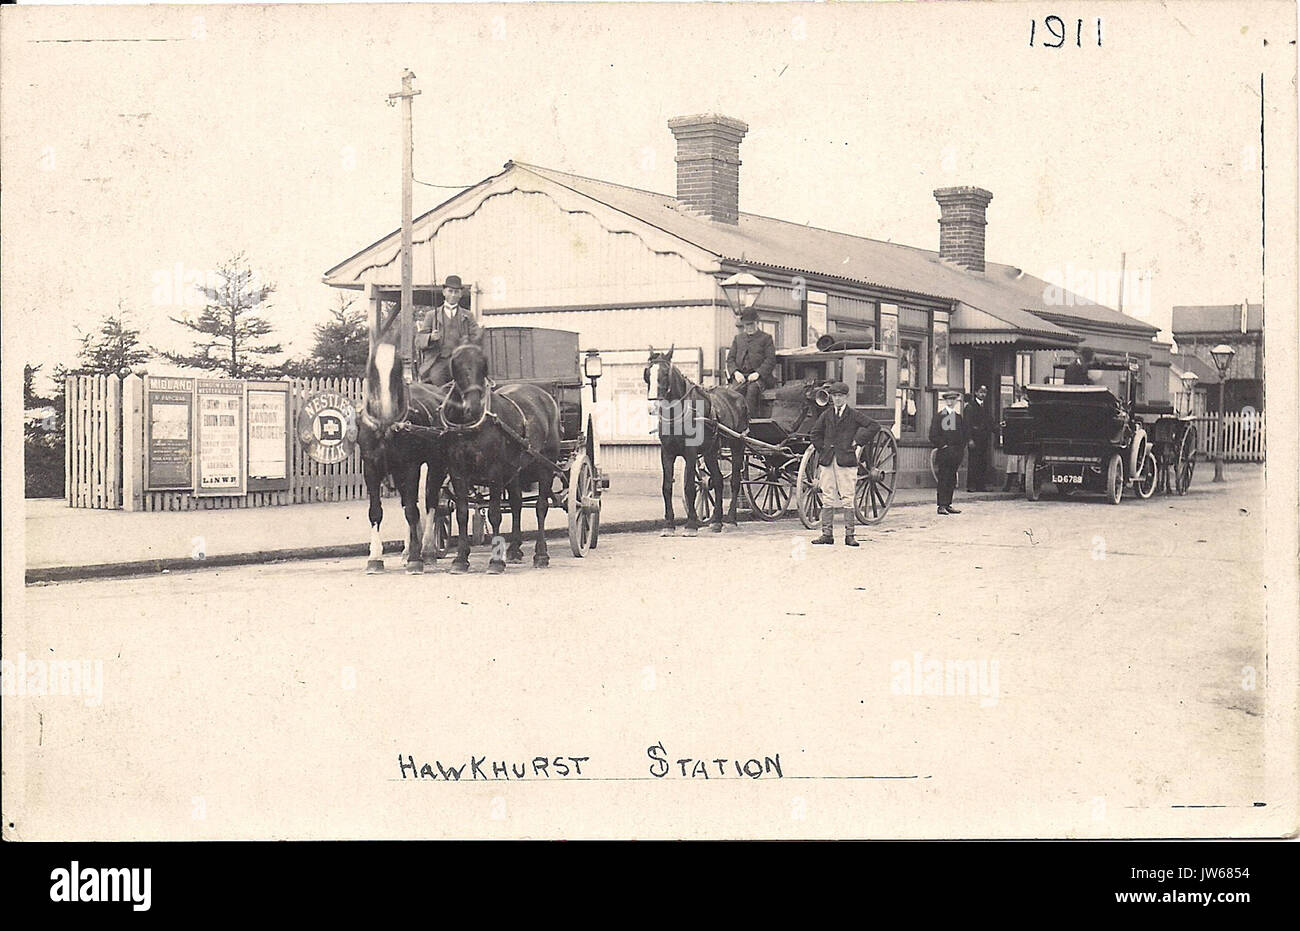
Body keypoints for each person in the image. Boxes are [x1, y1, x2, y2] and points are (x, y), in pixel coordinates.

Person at [809, 382, 875, 547]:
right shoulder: (826, 414)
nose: (837, 399)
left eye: (840, 396)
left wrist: (857, 441)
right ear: (831, 397)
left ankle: (849, 536)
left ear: (846, 397)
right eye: (835, 396)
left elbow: (874, 426)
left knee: (847, 497)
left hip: (846, 460)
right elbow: (815, 433)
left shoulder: (853, 415)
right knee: (827, 496)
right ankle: (827, 534)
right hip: (828, 460)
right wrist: (823, 448)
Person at [417, 274, 482, 384]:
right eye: (450, 291)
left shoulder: (468, 316)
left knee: (470, 385)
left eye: (456, 292)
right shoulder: (431, 315)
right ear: (444, 292)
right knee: (437, 380)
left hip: (462, 362)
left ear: (460, 294)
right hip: (439, 361)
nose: (453, 295)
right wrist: (430, 337)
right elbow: (418, 341)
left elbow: (477, 336)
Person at [725, 308, 776, 415]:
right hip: (740, 377)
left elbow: (770, 360)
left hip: (759, 378)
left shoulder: (766, 338)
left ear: (757, 322)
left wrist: (758, 373)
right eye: (746, 325)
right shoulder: (738, 339)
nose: (749, 327)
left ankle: (750, 421)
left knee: (752, 391)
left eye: (751, 324)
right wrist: (736, 373)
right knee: (732, 394)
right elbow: (730, 359)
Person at [929, 390, 969, 515]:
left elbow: (964, 435)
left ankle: (948, 504)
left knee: (952, 478)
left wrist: (960, 449)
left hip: (956, 453)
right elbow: (933, 435)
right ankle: (941, 505)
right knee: (943, 478)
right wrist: (943, 446)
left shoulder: (958, 417)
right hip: (944, 453)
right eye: (948, 399)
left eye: (953, 399)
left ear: (956, 401)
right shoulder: (939, 416)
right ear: (945, 401)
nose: (951, 402)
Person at [965, 385, 992, 492]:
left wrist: (998, 427)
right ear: (976, 393)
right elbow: (967, 424)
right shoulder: (970, 407)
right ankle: (971, 485)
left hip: (984, 439)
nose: (983, 394)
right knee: (973, 462)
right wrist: (969, 439)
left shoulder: (986, 407)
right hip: (974, 439)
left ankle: (981, 485)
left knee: (983, 462)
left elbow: (990, 421)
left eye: (985, 392)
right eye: (981, 392)